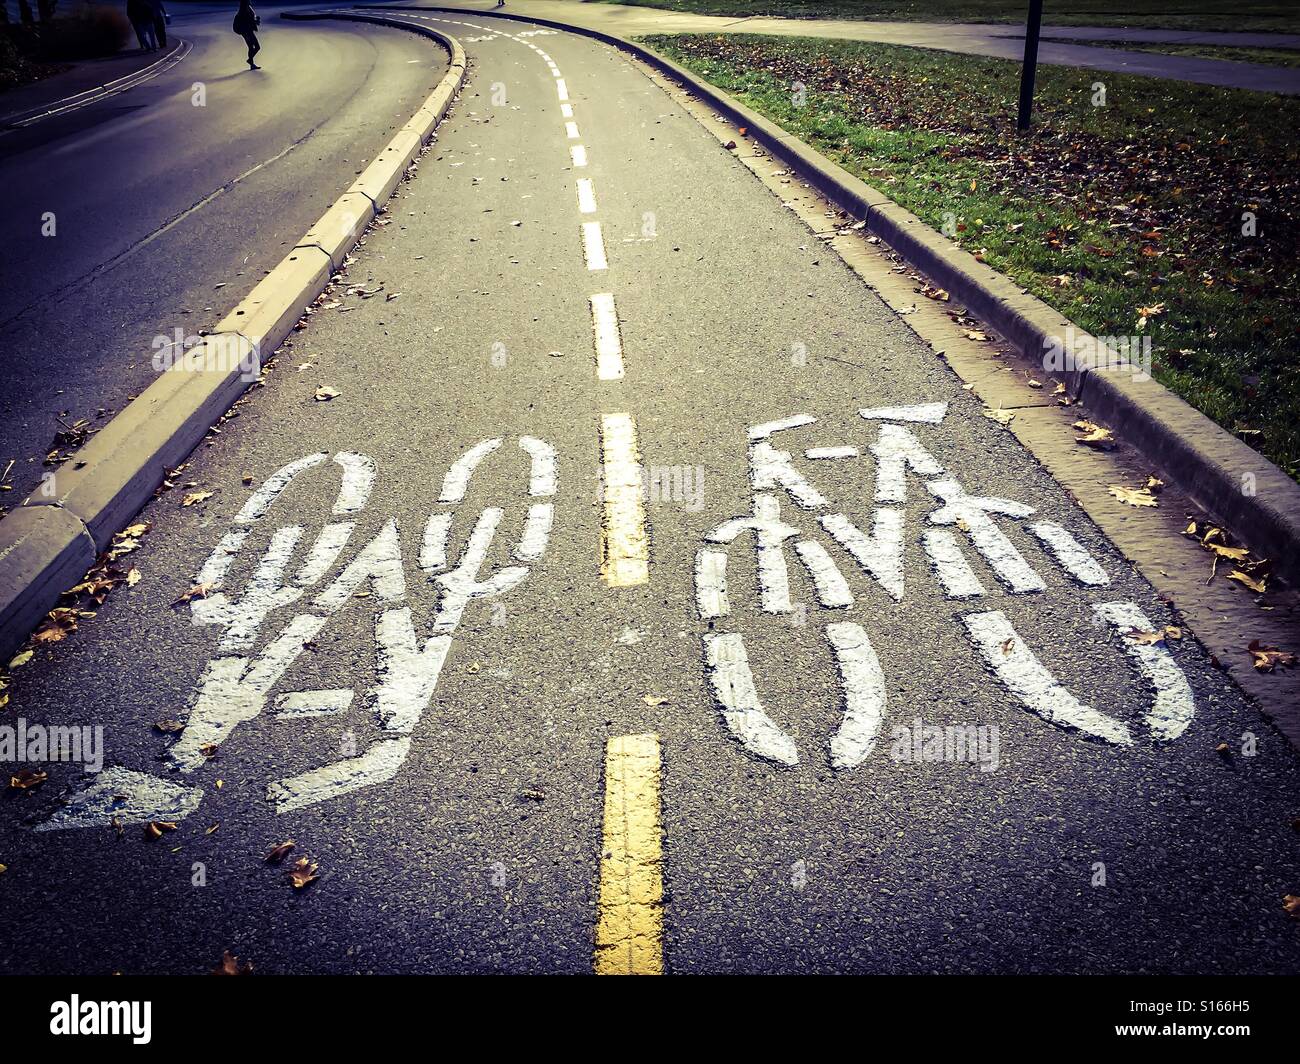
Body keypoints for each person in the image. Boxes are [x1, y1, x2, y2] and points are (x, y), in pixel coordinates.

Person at [233, 0, 261, 70]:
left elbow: (250, 20)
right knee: (256, 47)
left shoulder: (248, 8)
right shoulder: (243, 10)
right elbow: (247, 21)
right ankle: (250, 62)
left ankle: (251, 63)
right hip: (246, 32)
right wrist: (255, 21)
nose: (250, 0)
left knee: (252, 47)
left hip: (248, 31)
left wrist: (255, 21)